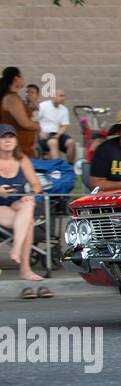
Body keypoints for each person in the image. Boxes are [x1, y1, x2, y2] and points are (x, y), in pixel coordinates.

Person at [0, 123, 48, 297]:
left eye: (10, 137)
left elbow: (36, 185)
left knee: (28, 204)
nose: (7, 141)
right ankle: (25, 269)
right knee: (27, 221)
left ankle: (16, 249)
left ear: (15, 140)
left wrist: (31, 194)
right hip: (0, 205)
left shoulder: (22, 159)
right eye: (3, 137)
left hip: (16, 202)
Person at [0, 68, 40, 159]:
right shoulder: (12, 98)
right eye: (21, 76)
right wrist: (38, 126)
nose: (23, 79)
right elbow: (24, 123)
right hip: (18, 149)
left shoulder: (13, 97)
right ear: (16, 78)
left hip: (22, 148)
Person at [37, 88, 77, 164]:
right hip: (44, 135)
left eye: (64, 96)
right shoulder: (43, 106)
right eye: (61, 96)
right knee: (53, 142)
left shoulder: (64, 109)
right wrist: (40, 132)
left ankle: (70, 167)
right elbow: (35, 121)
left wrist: (58, 135)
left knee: (71, 142)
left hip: (56, 134)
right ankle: (57, 170)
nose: (63, 98)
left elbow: (64, 126)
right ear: (54, 96)